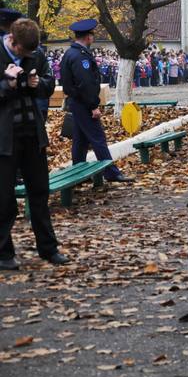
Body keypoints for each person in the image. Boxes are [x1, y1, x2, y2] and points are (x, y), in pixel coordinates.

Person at [0, 18, 68, 269]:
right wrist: (7, 84)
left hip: (32, 134)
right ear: (12, 41)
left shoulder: (35, 54)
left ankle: (49, 249)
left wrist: (39, 84)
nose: (30, 56)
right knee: (4, 199)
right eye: (25, 52)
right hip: (5, 139)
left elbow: (49, 83)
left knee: (39, 192)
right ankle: (5, 254)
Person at [59, 19, 133, 183]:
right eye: (92, 34)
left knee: (80, 140)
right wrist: (93, 106)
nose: (93, 37)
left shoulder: (71, 53)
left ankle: (78, 173)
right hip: (84, 104)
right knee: (98, 138)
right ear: (87, 37)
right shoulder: (80, 56)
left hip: (77, 102)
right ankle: (111, 173)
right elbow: (85, 84)